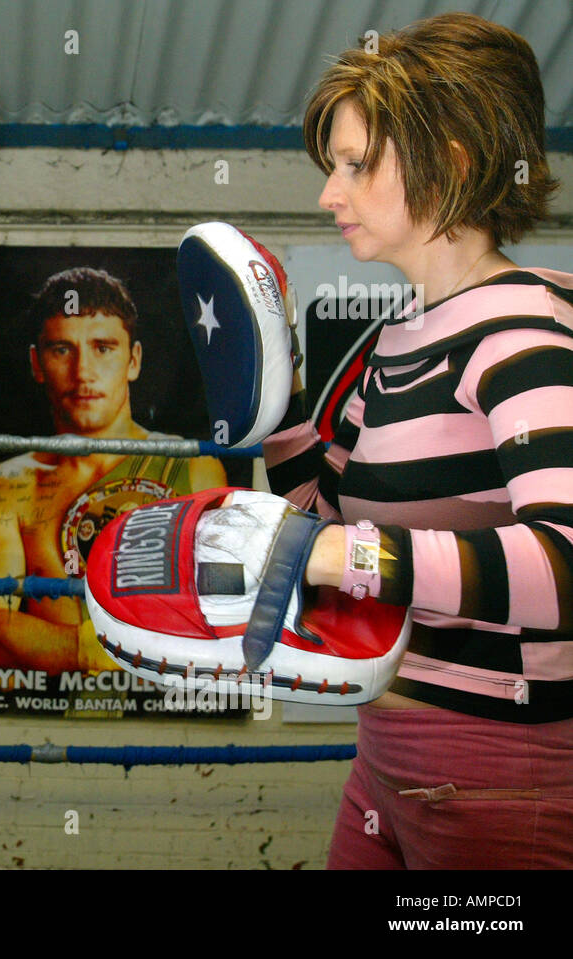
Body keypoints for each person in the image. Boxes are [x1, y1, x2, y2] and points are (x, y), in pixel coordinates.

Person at [271, 12, 573, 868]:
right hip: (385, 762)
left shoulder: (522, 335)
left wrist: (345, 555)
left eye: (357, 165)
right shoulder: (400, 340)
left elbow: (566, 561)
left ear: (454, 162)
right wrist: (271, 411)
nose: (329, 194)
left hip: (501, 774)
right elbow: (320, 522)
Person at [0, 267, 226, 673]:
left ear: (133, 360)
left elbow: (216, 615)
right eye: (62, 350)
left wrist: (65, 649)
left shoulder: (192, 467)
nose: (83, 372)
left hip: (158, 715)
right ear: (37, 363)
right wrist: (117, 655)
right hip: (49, 712)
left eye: (103, 348)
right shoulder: (5, 487)